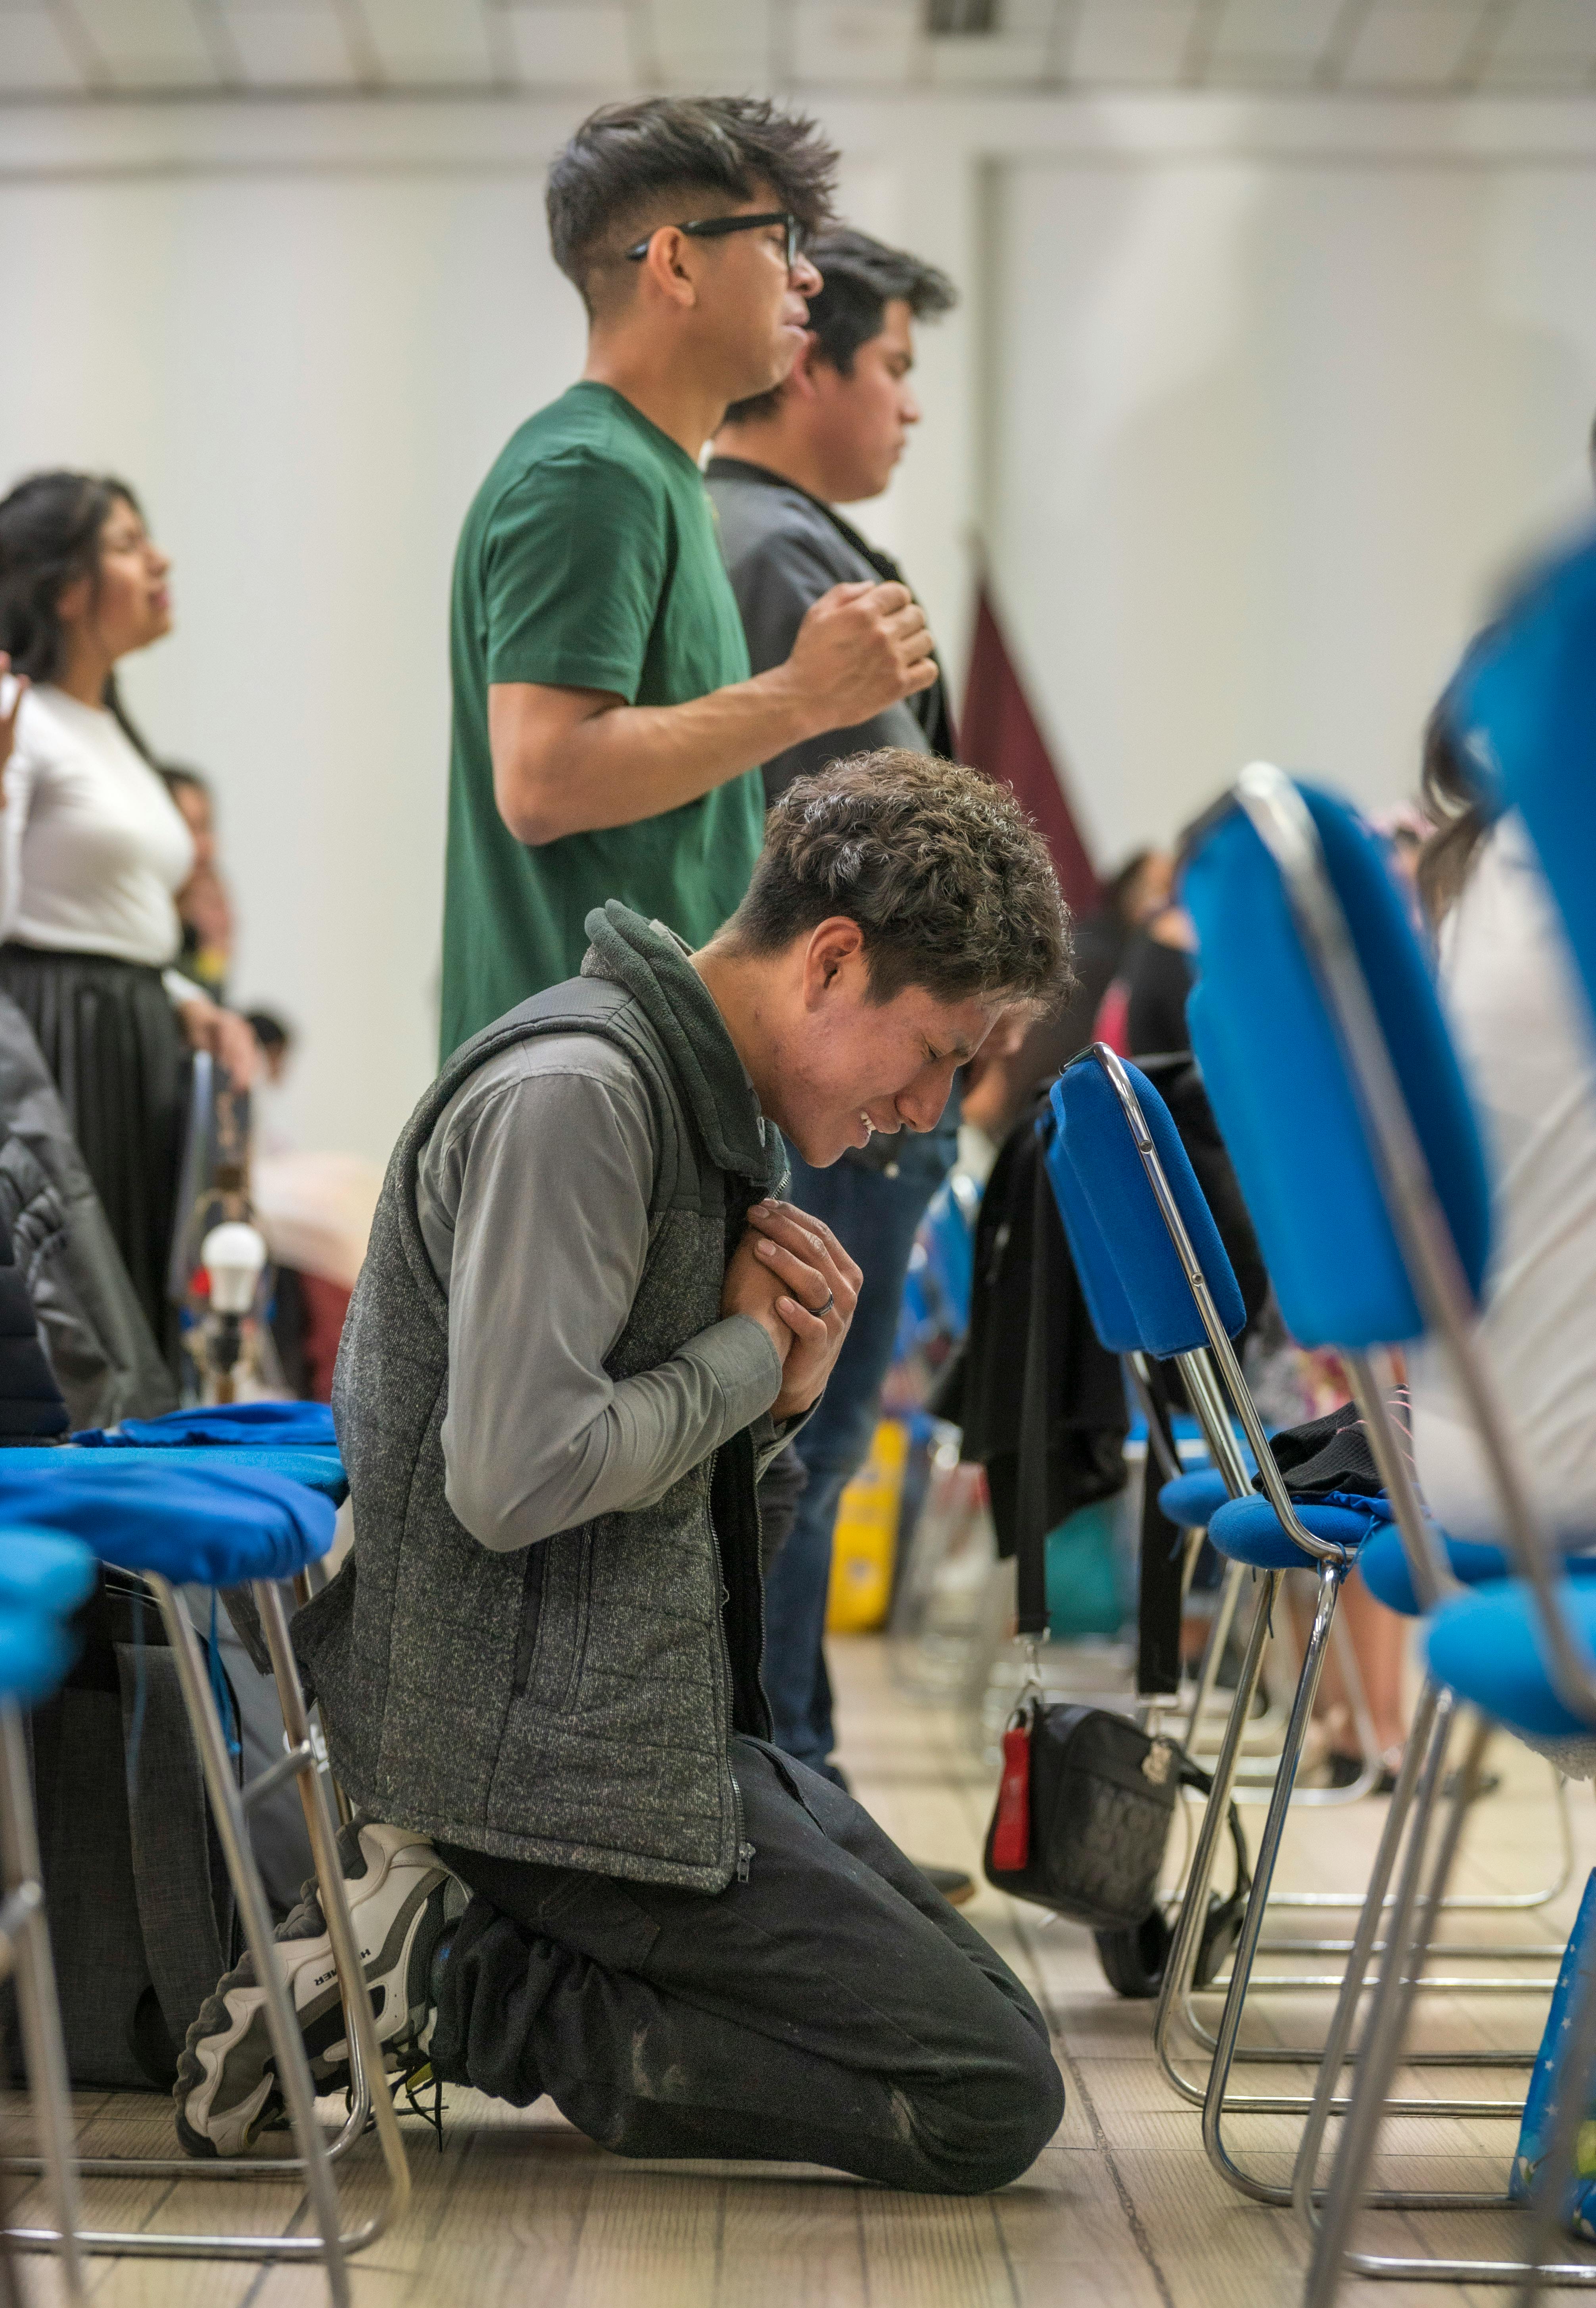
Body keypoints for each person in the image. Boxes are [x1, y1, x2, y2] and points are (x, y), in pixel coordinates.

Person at [176, 751, 1070, 2195]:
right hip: (521, 1763)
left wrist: (775, 1399)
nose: (928, 1107)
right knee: (988, 2098)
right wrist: (743, 1363)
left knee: (995, 2023)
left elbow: (665, 1506)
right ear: (831, 961)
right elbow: (513, 1478)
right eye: (933, 1052)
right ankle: (460, 1979)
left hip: (636, 1728)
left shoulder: (703, 1106)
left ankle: (464, 1942)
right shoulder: (581, 1095)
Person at [441, 98, 940, 1058]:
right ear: (674, 262)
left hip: (631, 1065)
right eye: (778, 241)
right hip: (580, 1082)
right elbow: (542, 778)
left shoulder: (657, 475)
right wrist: (802, 694)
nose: (806, 275)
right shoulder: (590, 471)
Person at [703, 228, 962, 1785]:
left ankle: (803, 1777)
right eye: (896, 369)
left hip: (847, 1082)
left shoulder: (774, 542)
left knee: (805, 1455)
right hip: (837, 1088)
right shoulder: (776, 555)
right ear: (810, 363)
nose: (910, 407)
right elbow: (874, 858)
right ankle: (793, 1791)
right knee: (796, 1454)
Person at [0, 474, 257, 1358]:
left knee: (140, 1300)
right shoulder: (21, 717)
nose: (160, 561)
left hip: (134, 1029)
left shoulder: (107, 729)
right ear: (65, 589)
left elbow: (117, 915)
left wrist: (184, 999)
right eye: (126, 544)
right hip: (59, 1037)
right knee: (84, 1313)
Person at [162, 764, 234, 998]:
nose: (207, 848)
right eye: (191, 829)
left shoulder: (199, 913)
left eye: (207, 828)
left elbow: (212, 1004)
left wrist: (215, 947)